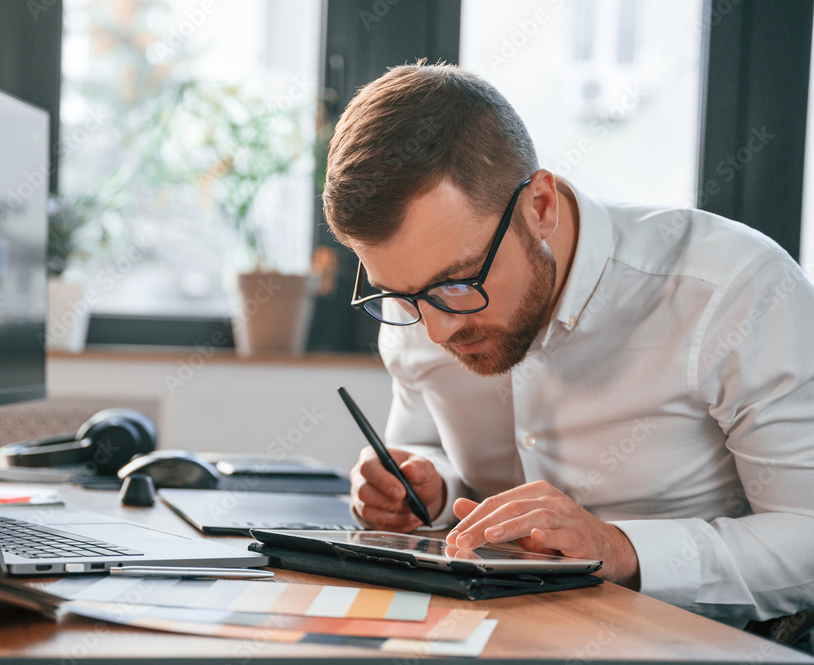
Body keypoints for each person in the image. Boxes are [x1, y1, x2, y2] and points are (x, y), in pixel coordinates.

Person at [321, 62, 814, 627]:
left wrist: (620, 549)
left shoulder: (734, 289)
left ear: (540, 206)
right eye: (399, 294)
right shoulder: (418, 294)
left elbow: (807, 537)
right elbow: (424, 444)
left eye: (458, 283)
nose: (436, 331)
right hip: (485, 633)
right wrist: (424, 488)